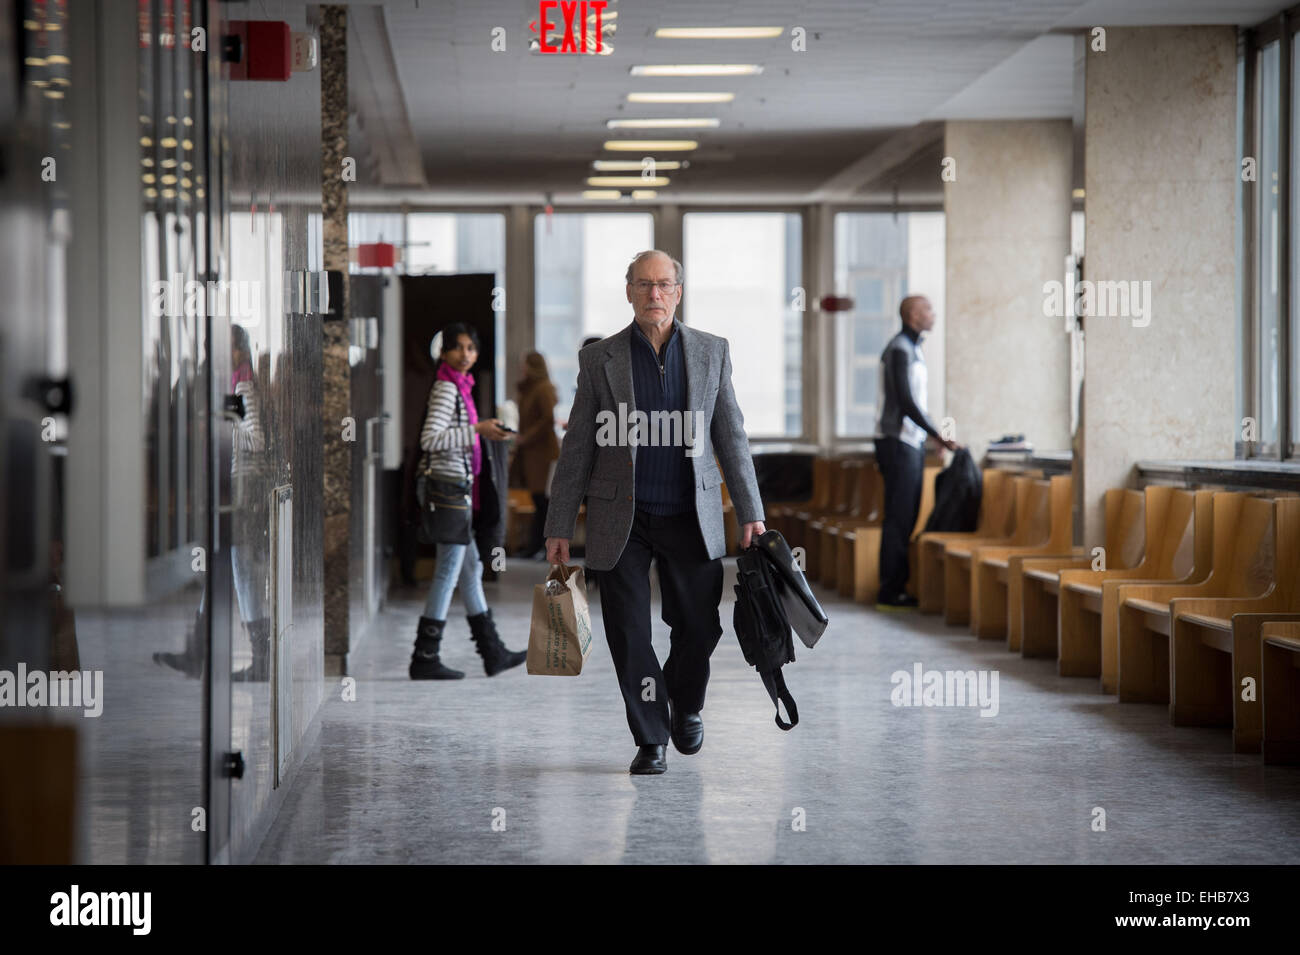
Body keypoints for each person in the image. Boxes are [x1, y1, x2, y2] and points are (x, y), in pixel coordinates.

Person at [544, 250, 766, 776]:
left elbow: (730, 435)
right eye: (643, 285)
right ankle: (651, 738)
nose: (654, 295)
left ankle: (685, 703)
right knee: (627, 632)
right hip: (622, 518)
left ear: (679, 292)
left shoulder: (712, 352)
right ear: (628, 292)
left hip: (691, 514)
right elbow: (578, 447)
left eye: (664, 285)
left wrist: (752, 510)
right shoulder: (600, 359)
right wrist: (558, 525)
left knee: (698, 627)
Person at [410, 323, 527, 680]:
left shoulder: (461, 387)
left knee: (472, 568)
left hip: (456, 489)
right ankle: (425, 656)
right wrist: (477, 430)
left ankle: (492, 652)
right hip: (447, 489)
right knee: (448, 570)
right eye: (458, 348)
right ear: (444, 353)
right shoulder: (447, 388)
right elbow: (430, 439)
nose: (465, 355)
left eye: (471, 348)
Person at [873, 295, 959, 612]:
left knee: (906, 515)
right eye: (927, 309)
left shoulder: (912, 348)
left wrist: (930, 437)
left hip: (909, 442)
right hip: (896, 442)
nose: (933, 314)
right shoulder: (899, 349)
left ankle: (896, 587)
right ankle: (889, 590)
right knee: (899, 516)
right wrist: (939, 434)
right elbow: (907, 403)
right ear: (912, 315)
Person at [512, 351, 560, 558]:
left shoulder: (542, 389)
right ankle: (535, 546)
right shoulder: (530, 389)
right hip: (532, 452)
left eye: (524, 364)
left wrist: (526, 437)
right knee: (538, 500)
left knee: (543, 501)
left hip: (542, 453)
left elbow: (547, 419)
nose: (522, 368)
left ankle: (538, 546)